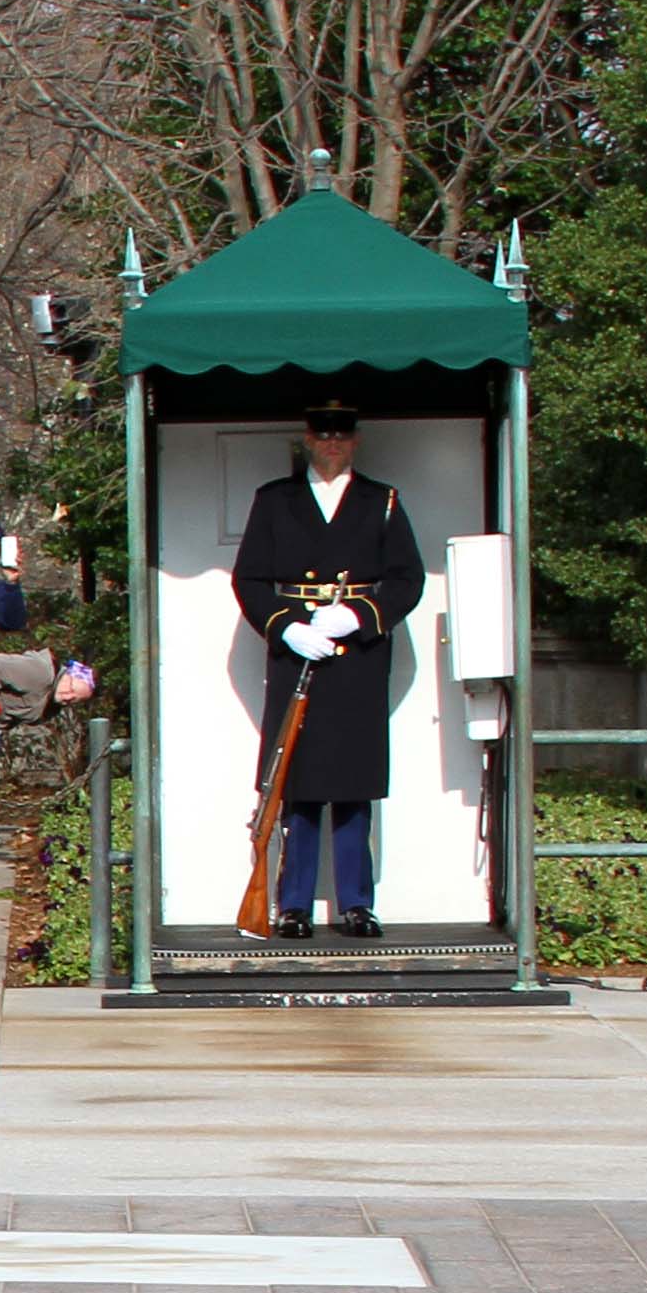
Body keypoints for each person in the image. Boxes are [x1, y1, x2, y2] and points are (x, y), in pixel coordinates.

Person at [233, 400, 425, 939]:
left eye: (342, 432)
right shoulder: (275, 500)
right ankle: (293, 904)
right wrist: (286, 625)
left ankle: (355, 904)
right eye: (324, 432)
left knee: (353, 784)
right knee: (299, 780)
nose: (333, 441)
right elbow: (249, 580)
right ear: (308, 438)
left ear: (355, 440)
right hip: (298, 652)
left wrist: (359, 617)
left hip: (357, 658)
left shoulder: (380, 501)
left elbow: (407, 580)